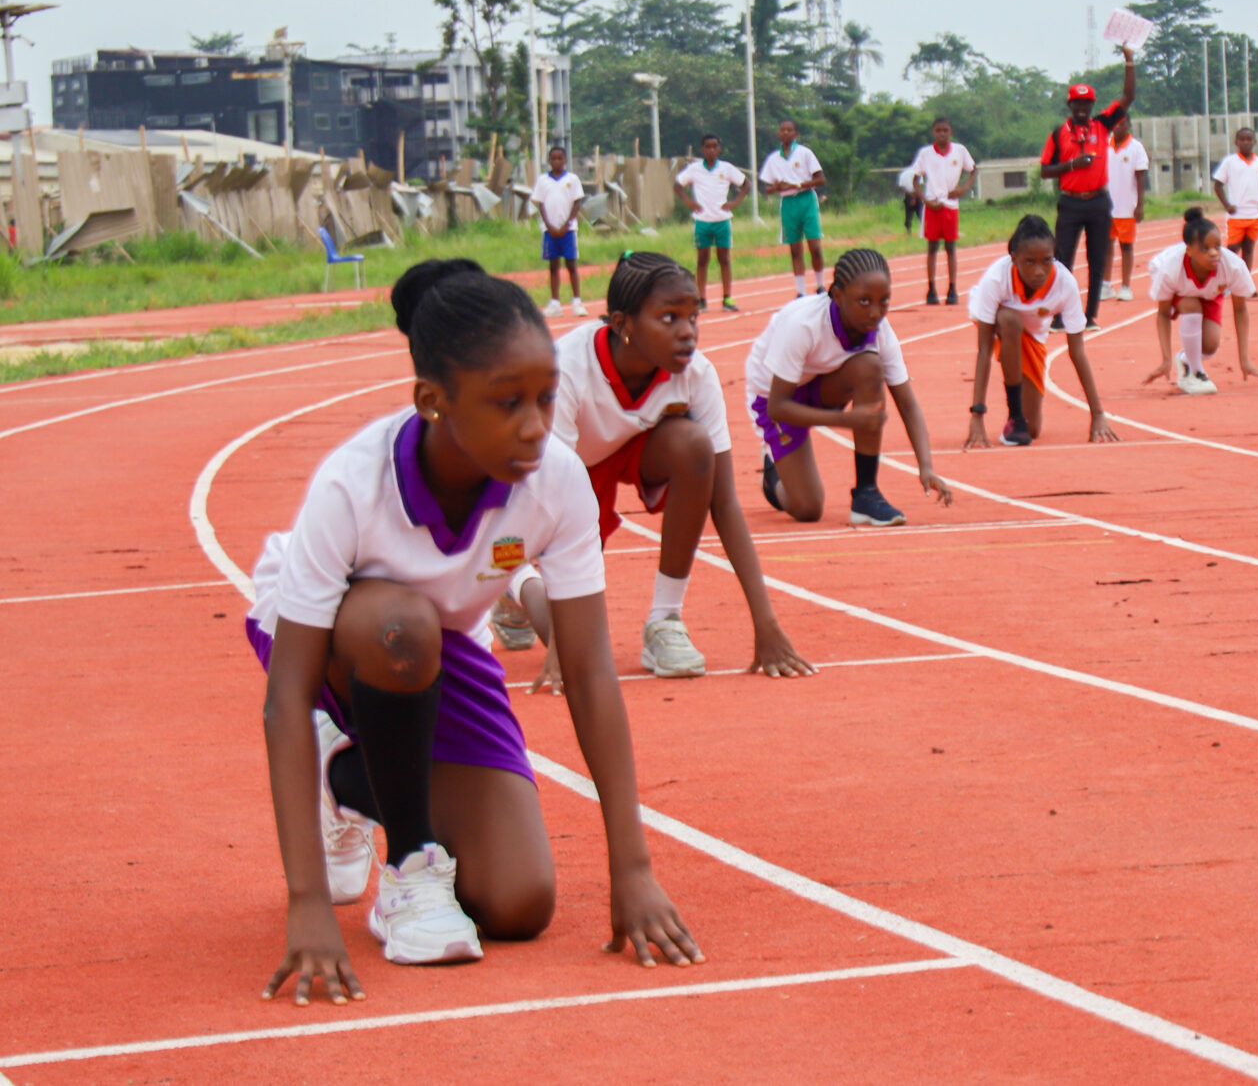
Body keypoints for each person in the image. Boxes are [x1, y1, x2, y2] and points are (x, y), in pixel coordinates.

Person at [251, 259, 702, 1004]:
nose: (534, 424)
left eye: (546, 397)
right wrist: (307, 903)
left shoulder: (554, 480)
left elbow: (590, 672)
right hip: (334, 640)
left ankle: (348, 776)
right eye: (506, 402)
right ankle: (409, 867)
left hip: (443, 648)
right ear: (433, 400)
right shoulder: (351, 484)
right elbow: (282, 697)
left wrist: (633, 868)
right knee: (403, 627)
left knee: (519, 903)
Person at [503, 251, 811, 691]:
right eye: (669, 318)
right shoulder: (565, 371)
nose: (687, 333)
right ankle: (516, 583)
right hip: (545, 478)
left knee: (693, 446)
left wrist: (766, 624)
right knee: (576, 644)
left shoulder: (696, 375)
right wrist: (559, 649)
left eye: (693, 317)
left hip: (622, 450)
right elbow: (561, 508)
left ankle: (664, 620)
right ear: (623, 324)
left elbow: (723, 501)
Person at [748, 248, 953, 527]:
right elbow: (778, 406)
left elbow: (907, 402)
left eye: (884, 301)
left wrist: (926, 466)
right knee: (808, 508)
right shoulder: (803, 325)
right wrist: (844, 419)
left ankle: (866, 495)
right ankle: (773, 478)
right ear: (837, 295)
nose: (875, 312)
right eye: (864, 301)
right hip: (775, 395)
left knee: (869, 366)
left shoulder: (880, 331)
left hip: (822, 382)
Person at [962, 214, 1119, 449]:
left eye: (1046, 260)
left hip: (1034, 336)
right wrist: (977, 415)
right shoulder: (997, 278)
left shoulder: (1065, 284)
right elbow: (984, 349)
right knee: (1010, 320)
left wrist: (1097, 414)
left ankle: (1021, 420)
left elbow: (1077, 352)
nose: (1039, 271)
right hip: (1001, 326)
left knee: (1033, 429)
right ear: (1013, 258)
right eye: (1029, 262)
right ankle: (1015, 416)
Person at [1037, 43, 1137, 328]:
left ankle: (1089, 316)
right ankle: (1059, 316)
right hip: (1070, 201)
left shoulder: (1102, 125)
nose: (1082, 108)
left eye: (1087, 104)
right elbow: (1045, 171)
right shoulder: (1058, 134)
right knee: (1062, 261)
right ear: (1070, 105)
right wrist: (1072, 166)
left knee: (1097, 260)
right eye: (1077, 103)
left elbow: (1128, 97)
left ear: (1092, 106)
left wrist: (1129, 62)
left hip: (1097, 201)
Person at [1142, 208, 1258, 395]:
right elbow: (1162, 314)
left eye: (1217, 246)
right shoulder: (1169, 269)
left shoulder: (1232, 266)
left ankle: (1185, 360)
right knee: (1192, 307)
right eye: (1205, 249)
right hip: (1181, 289)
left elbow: (1240, 310)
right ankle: (1196, 373)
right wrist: (1165, 360)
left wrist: (1244, 360)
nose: (1214, 253)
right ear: (1189, 250)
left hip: (1210, 293)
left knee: (1209, 346)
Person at [909, 117, 976, 306]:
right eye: (938, 130)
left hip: (951, 205)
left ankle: (952, 288)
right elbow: (915, 179)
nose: (942, 134)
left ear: (951, 132)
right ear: (933, 133)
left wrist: (963, 189)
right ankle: (931, 288)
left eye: (945, 130)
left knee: (950, 248)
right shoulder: (926, 154)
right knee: (932, 248)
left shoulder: (960, 151)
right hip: (933, 205)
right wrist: (925, 199)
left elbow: (973, 170)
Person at [760, 119, 828, 299]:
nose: (785, 133)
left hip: (806, 199)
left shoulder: (804, 153)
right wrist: (777, 187)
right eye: (782, 130)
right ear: (778, 133)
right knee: (794, 248)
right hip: (788, 203)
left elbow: (820, 179)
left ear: (796, 133)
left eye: (789, 130)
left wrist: (797, 184)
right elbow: (767, 187)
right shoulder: (773, 159)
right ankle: (800, 290)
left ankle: (821, 285)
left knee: (815, 246)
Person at [677, 135, 746, 312]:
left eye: (714, 147)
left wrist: (735, 202)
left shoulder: (726, 168)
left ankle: (727, 298)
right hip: (702, 220)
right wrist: (689, 202)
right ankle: (701, 299)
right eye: (707, 147)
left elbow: (746, 184)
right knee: (702, 260)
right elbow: (678, 185)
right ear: (702, 150)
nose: (711, 150)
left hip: (722, 220)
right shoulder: (695, 169)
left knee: (724, 259)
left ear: (719, 149)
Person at [531, 145, 586, 317]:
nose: (556, 161)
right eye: (553, 158)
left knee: (571, 265)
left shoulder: (572, 179)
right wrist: (549, 225)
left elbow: (577, 202)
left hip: (568, 230)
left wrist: (567, 224)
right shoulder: (542, 180)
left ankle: (577, 301)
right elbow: (540, 203)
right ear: (549, 161)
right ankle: (555, 302)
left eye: (559, 158)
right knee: (553, 266)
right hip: (550, 231)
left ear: (565, 160)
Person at [1211, 127, 1258, 275]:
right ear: (1236, 142)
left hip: (1255, 215)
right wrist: (1227, 205)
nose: (1246, 142)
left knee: (1249, 249)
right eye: (1242, 139)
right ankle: (1227, 279)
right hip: (1237, 215)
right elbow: (1218, 185)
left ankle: (1246, 282)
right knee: (1233, 249)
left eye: (1249, 139)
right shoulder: (1229, 162)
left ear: (1254, 142)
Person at [1105, 112, 1149, 300]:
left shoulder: (1136, 148)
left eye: (1122, 124)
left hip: (1126, 208)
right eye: (1115, 124)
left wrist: (1139, 205)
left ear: (1129, 125)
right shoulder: (1103, 145)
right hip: (1105, 207)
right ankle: (1105, 284)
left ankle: (1125, 286)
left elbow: (1140, 178)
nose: (1118, 127)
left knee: (1126, 247)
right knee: (1106, 246)